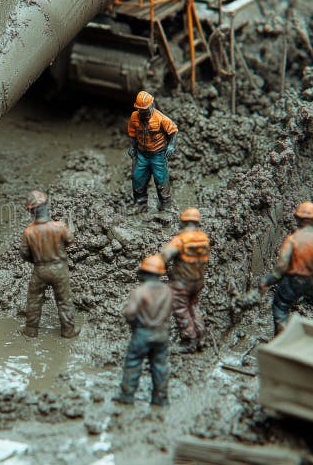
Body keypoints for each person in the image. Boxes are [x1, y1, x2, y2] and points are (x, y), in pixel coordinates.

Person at [259, 202, 313, 335]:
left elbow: (282, 266)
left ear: (297, 219)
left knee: (280, 309)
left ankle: (281, 342)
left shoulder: (292, 240)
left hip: (293, 281)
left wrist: (267, 281)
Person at [114, 255, 173, 406]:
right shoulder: (167, 291)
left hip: (143, 332)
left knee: (133, 362)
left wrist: (133, 323)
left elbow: (130, 313)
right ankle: (160, 398)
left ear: (144, 272)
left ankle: (127, 395)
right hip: (161, 333)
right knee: (160, 364)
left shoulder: (140, 291)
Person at [19, 190, 79, 338]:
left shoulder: (28, 232)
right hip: (59, 268)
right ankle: (68, 330)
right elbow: (70, 240)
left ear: (31, 211)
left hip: (40, 269)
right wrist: (70, 226)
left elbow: (24, 253)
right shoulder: (59, 226)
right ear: (46, 206)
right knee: (64, 300)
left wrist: (37, 261)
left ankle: (31, 330)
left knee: (34, 299)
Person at [159, 208, 210, 350]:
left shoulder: (181, 240)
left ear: (184, 222)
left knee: (180, 308)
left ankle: (190, 339)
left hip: (183, 283)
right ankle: (201, 336)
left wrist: (162, 268)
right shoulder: (204, 239)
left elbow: (165, 254)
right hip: (198, 281)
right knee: (193, 305)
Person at [127, 91, 178, 212]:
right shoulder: (134, 117)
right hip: (142, 154)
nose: (142, 111)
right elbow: (133, 133)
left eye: (144, 109)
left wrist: (171, 146)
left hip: (158, 155)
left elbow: (173, 131)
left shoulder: (160, 118)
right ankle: (140, 204)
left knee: (161, 179)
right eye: (139, 109)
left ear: (151, 105)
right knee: (138, 177)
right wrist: (133, 147)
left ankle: (165, 205)